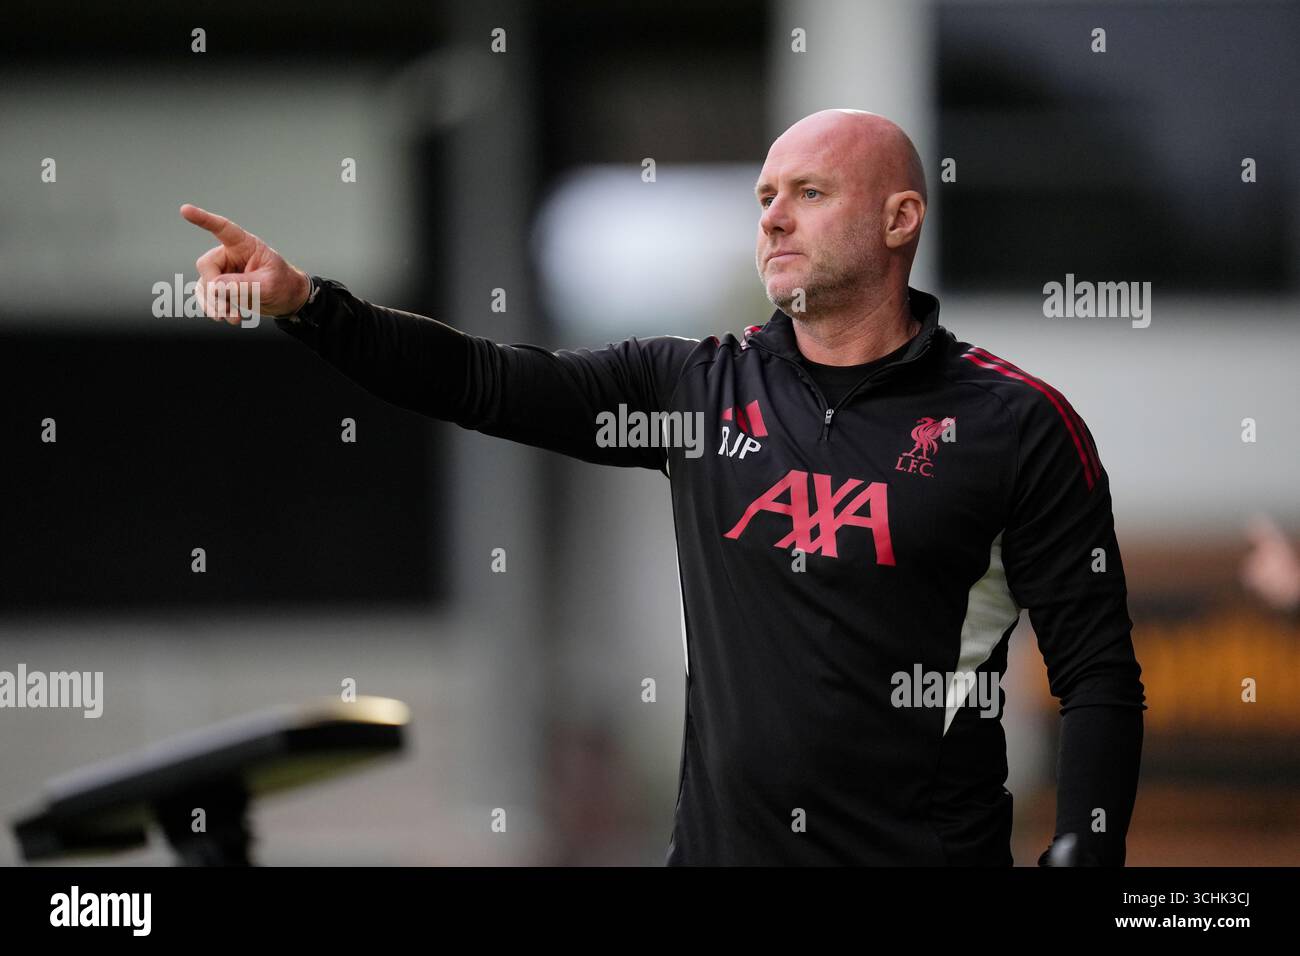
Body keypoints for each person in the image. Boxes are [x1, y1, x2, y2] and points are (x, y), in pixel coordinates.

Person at [180, 108, 1145, 866]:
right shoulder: (693, 387)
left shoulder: (1017, 424)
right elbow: (482, 380)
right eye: (765, 194)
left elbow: (1097, 672)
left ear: (900, 219)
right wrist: (310, 306)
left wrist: (1087, 848)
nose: (772, 215)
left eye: (809, 192)